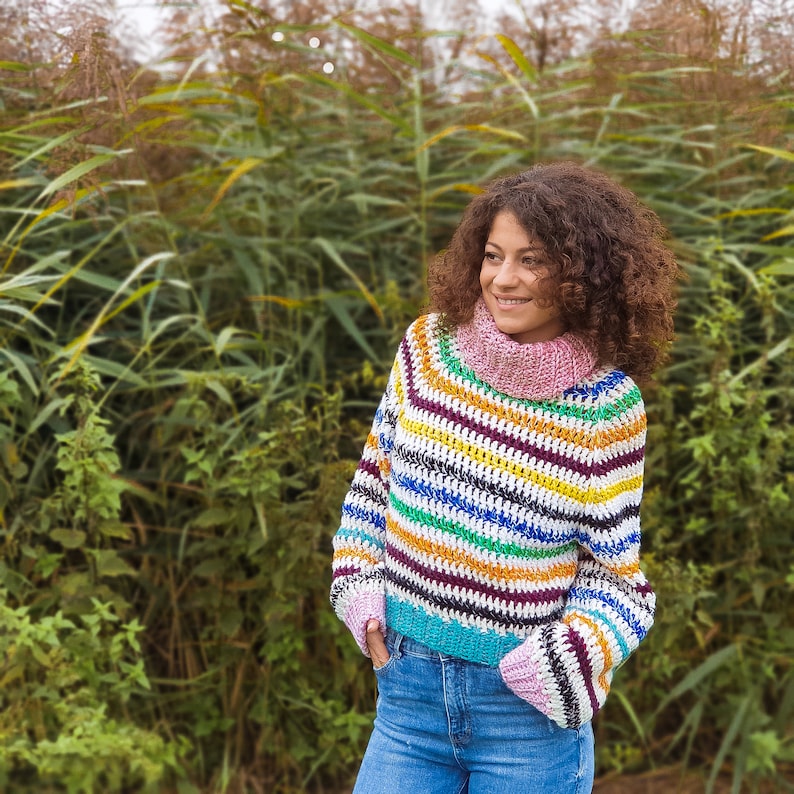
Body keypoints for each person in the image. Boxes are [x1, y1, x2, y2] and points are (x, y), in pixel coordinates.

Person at [330, 161, 679, 793]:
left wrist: (560, 665)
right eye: (493, 256)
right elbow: (372, 483)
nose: (504, 279)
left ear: (582, 274)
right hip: (409, 697)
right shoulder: (427, 351)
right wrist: (358, 587)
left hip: (524, 720)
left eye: (532, 260)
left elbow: (619, 582)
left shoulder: (606, 409)